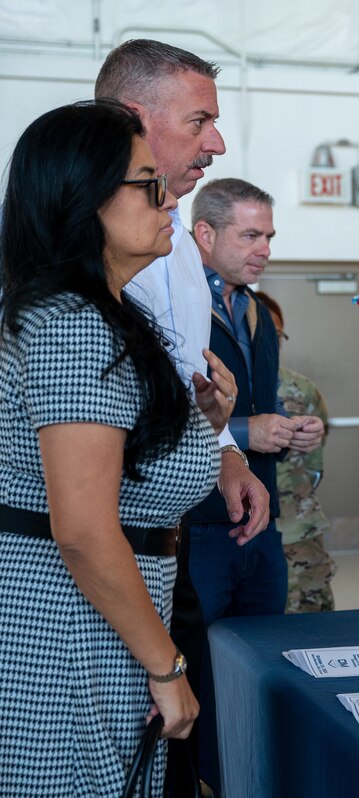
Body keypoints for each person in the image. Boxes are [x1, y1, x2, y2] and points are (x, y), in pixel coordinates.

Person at [0, 101, 218, 797]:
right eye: (147, 185)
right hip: (68, 633)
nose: (167, 203)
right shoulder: (72, 326)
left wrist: (199, 426)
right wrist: (167, 668)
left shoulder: (100, 313)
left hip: (100, 624)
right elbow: (87, 531)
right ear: (85, 197)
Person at [94, 40, 270, 794]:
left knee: (175, 758)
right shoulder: (80, 279)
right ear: (138, 119)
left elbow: (188, 384)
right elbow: (81, 510)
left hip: (169, 544)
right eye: (201, 121)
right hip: (107, 553)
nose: (218, 142)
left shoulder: (179, 256)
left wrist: (225, 452)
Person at [187, 178, 324, 788]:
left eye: (269, 235)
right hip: (199, 525)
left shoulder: (255, 315)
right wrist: (246, 430)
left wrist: (290, 432)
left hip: (259, 526)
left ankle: (250, 776)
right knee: (200, 674)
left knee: (261, 663)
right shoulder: (176, 304)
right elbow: (160, 414)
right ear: (205, 234)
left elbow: (258, 411)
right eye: (251, 234)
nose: (265, 247)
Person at [256, 291, 337, 613]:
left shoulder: (301, 390)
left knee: (311, 620)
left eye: (275, 335)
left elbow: (315, 464)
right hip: (233, 533)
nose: (268, 343)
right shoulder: (214, 389)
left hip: (296, 529)